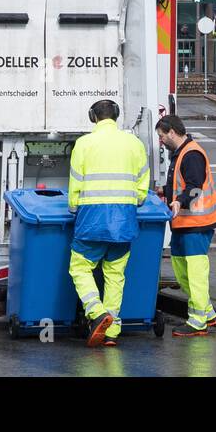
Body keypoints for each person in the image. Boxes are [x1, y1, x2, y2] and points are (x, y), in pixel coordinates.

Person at [67, 99, 150, 347]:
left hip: (92, 218)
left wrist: (73, 206)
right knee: (115, 275)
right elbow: (142, 186)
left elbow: (76, 183)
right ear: (117, 116)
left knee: (80, 268)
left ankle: (96, 312)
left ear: (93, 116)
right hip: (124, 219)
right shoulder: (134, 143)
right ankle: (111, 332)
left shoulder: (83, 144)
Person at [156, 114, 216, 336]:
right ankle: (208, 313)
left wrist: (179, 201)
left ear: (172, 132)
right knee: (182, 272)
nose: (161, 140)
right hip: (183, 223)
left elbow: (195, 188)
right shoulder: (181, 152)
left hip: (197, 224)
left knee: (195, 275)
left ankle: (197, 322)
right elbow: (181, 185)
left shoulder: (191, 154)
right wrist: (163, 194)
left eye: (162, 136)